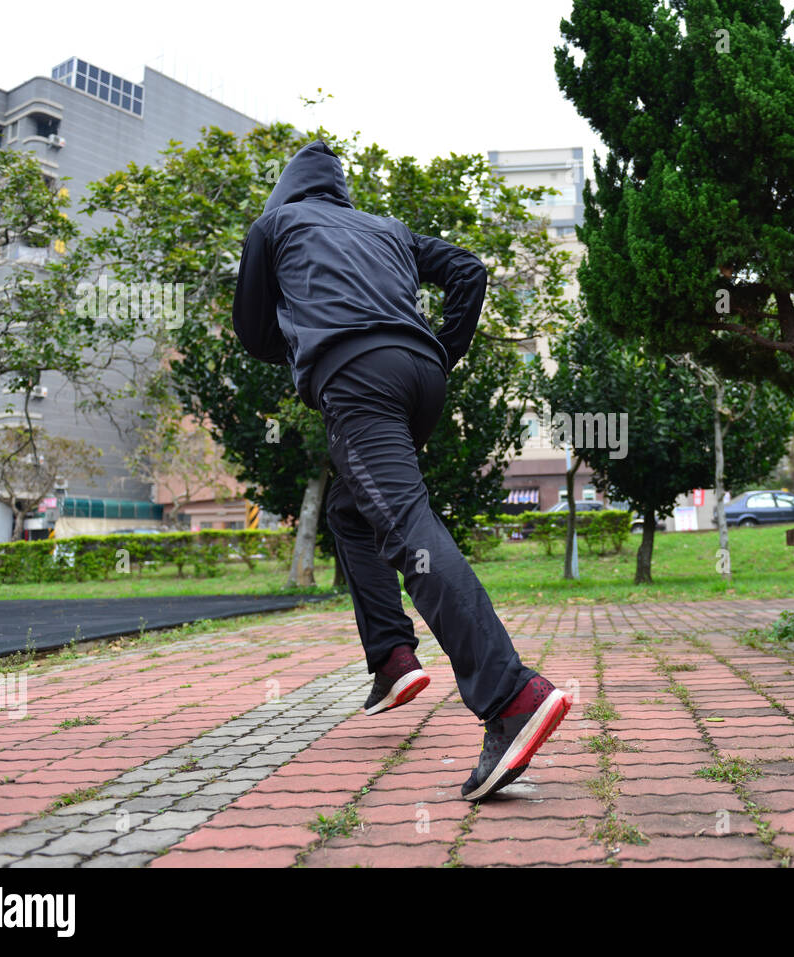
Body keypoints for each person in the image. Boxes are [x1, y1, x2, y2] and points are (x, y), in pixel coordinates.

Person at [232, 140, 571, 802]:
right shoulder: (387, 229)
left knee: (405, 525)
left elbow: (252, 331)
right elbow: (469, 271)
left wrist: (307, 334)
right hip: (420, 379)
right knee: (350, 511)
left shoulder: (273, 227)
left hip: (357, 377)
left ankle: (511, 696)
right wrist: (440, 353)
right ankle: (391, 655)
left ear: (285, 189)